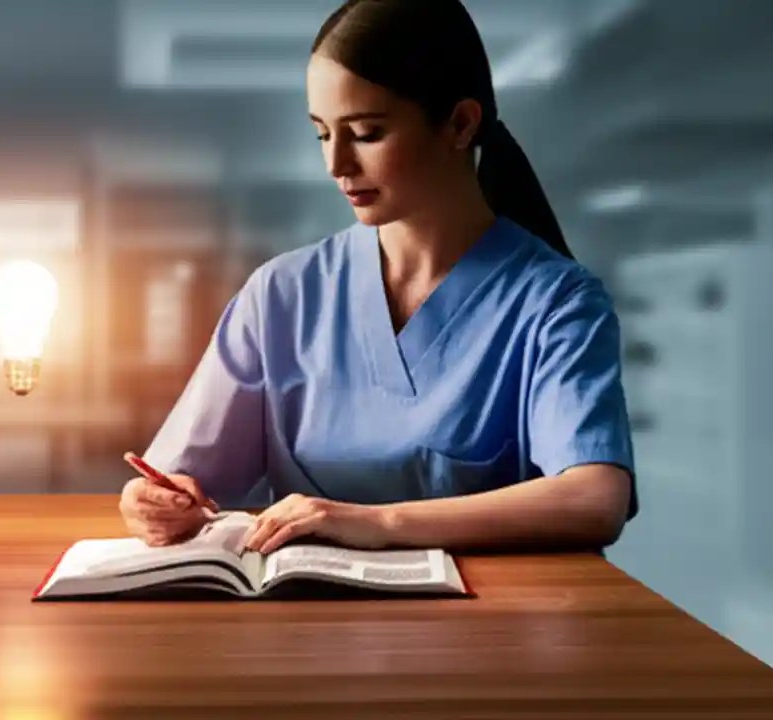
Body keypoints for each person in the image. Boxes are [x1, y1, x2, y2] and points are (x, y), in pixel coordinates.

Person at [118, 0, 636, 555]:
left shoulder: (555, 302)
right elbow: (178, 480)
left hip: (491, 629)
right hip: (301, 624)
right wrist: (152, 502)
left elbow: (594, 499)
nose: (337, 164)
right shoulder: (281, 296)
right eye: (322, 135)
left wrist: (377, 523)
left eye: (366, 132)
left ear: (460, 124)